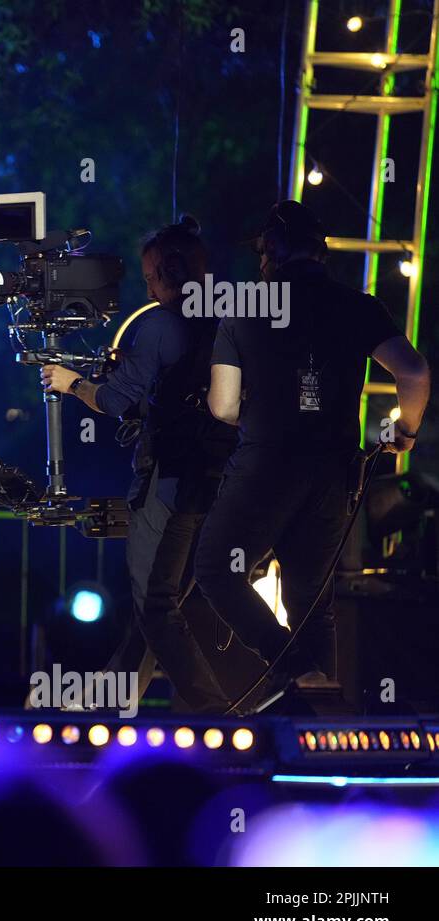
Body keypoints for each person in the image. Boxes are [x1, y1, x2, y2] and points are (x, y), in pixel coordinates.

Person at [195, 199, 430, 708]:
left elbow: (222, 406)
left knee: (217, 568)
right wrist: (405, 432)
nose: (259, 261)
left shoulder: (243, 310)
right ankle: (320, 725)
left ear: (274, 249)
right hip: (332, 474)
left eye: (262, 251)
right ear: (320, 252)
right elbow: (413, 373)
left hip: (264, 468)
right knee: (311, 604)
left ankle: (293, 669)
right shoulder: (360, 307)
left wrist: (265, 414)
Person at [42, 215, 235, 712]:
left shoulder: (160, 325)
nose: (148, 287)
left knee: (156, 607)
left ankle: (218, 713)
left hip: (170, 483)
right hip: (219, 483)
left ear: (171, 273)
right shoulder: (230, 320)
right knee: (155, 610)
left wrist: (72, 384)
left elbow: (115, 401)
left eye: (152, 277)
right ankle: (99, 708)